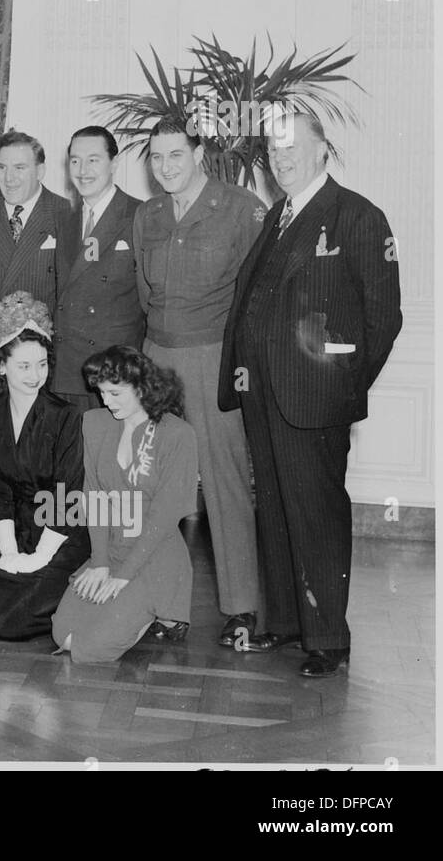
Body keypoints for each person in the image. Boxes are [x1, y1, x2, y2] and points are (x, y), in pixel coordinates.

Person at [218, 114, 401, 678]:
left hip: (313, 401)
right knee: (273, 508)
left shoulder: (358, 215)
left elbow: (383, 319)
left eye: (293, 146)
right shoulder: (278, 215)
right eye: (274, 148)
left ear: (324, 149)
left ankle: (328, 639)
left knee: (316, 513)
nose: (281, 157)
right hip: (263, 395)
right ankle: (286, 621)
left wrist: (339, 390)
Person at [132, 120, 266, 647]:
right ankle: (159, 603)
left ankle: (241, 608)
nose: (166, 167)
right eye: (157, 158)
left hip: (213, 355)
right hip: (156, 354)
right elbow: (146, 292)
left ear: (200, 153)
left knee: (223, 481)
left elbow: (255, 293)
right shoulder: (148, 214)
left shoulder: (239, 208)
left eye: (176, 156)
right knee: (153, 484)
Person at [51, 346, 198, 664]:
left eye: (115, 393)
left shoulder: (177, 434)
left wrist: (123, 577)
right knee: (63, 635)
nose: (106, 402)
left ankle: (166, 611)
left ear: (142, 387)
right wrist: (100, 563)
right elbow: (94, 496)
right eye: (102, 393)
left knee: (89, 650)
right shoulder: (95, 423)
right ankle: (144, 611)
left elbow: (164, 516)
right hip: (111, 553)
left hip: (153, 558)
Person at [0, 294, 90, 641]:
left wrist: (40, 556)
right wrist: (11, 551)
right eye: (24, 366)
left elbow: (69, 495)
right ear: (1, 365)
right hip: (21, 538)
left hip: (63, 538)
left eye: (42, 364)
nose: (36, 376)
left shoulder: (65, 416)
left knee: (8, 624)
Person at [54, 126, 145, 412]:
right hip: (70, 370)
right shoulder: (65, 221)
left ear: (114, 163)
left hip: (116, 369)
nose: (83, 170)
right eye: (75, 161)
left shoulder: (138, 215)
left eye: (93, 160)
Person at [0, 130, 71, 377]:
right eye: (2, 168)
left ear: (40, 171)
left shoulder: (66, 214)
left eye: (20, 168)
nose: (9, 177)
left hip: (40, 347)